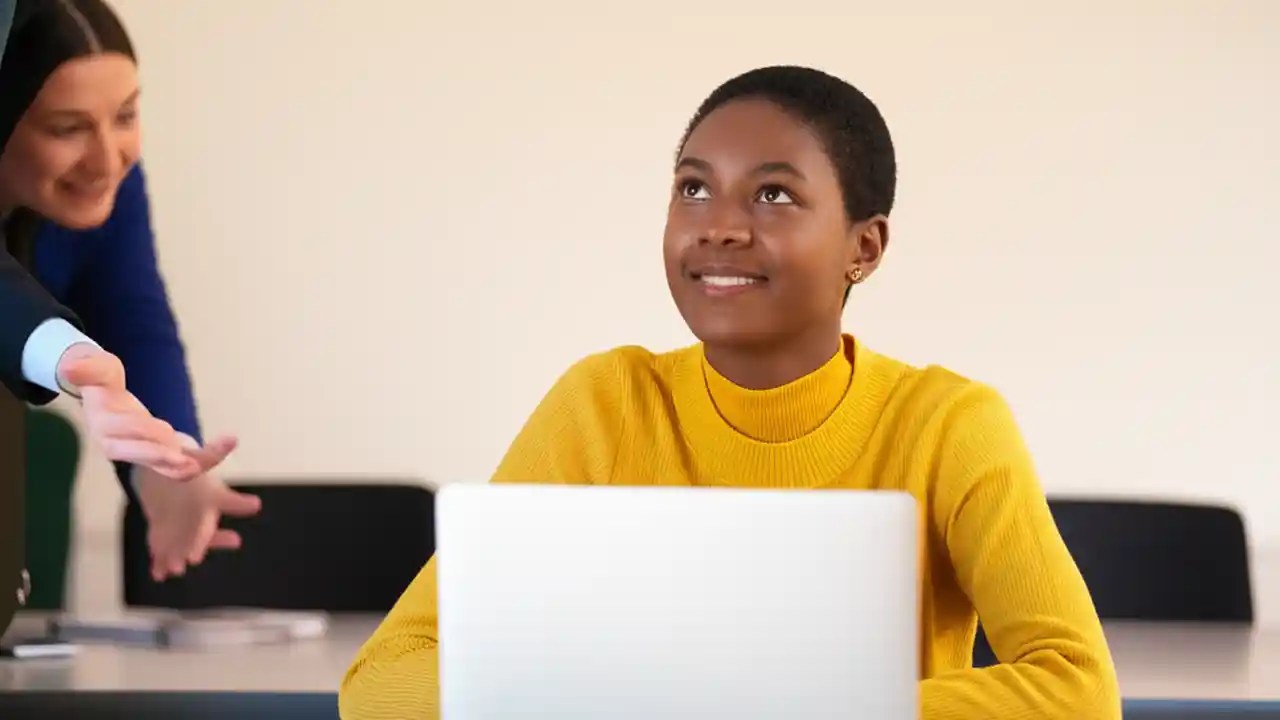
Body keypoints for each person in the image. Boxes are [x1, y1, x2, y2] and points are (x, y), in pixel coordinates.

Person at [339, 66, 1121, 719]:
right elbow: (383, 677)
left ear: (864, 246)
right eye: (693, 188)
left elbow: (1078, 691)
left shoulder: (947, 425)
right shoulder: (605, 403)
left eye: (773, 195)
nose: (718, 226)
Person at [0, 0, 260, 584]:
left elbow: (132, 316)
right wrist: (76, 361)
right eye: (67, 128)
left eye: (125, 115)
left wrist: (168, 461)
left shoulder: (102, 184)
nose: (106, 159)